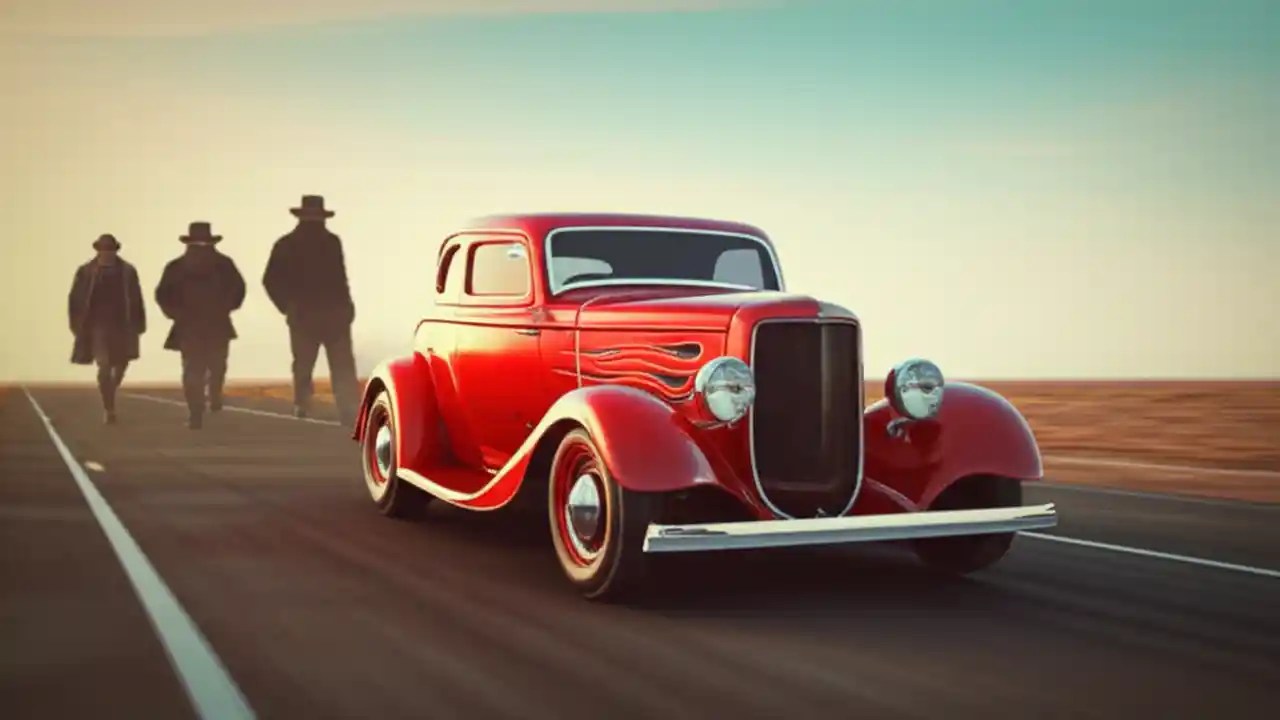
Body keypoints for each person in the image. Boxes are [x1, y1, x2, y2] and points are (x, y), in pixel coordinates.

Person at [263, 195, 359, 425]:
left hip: (320, 314)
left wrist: (288, 307)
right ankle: (331, 407)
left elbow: (340, 279)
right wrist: (288, 307)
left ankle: (317, 406)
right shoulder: (320, 242)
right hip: (321, 313)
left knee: (314, 363)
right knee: (332, 364)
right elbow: (270, 280)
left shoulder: (294, 243)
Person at [155, 222, 246, 430]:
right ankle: (198, 410)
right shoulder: (178, 267)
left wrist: (225, 308)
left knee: (209, 367)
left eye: (203, 243)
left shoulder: (222, 265)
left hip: (209, 324)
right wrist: (177, 314)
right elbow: (163, 295)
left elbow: (238, 290)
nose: (201, 248)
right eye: (198, 243)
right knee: (197, 369)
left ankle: (207, 401)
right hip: (197, 325)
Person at [67, 234, 146, 424]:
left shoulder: (127, 271)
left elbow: (137, 298)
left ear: (115, 250)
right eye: (104, 249)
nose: (107, 253)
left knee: (121, 365)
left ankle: (110, 391)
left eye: (110, 249)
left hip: (123, 326)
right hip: (97, 327)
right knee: (104, 366)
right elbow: (75, 299)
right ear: (98, 250)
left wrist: (139, 324)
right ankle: (109, 408)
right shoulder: (86, 271)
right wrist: (77, 326)